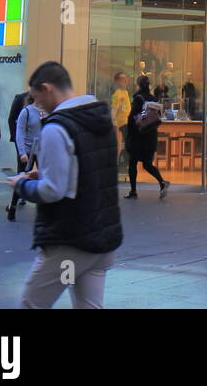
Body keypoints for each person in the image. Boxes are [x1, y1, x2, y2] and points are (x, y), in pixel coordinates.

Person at [9, 61, 123, 309]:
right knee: (89, 306)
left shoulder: (56, 128)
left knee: (31, 304)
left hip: (70, 242)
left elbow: (53, 190)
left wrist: (21, 185)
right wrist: (48, 170)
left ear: (47, 88)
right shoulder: (101, 121)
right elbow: (90, 166)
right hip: (103, 238)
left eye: (35, 96)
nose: (35, 104)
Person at [124, 75, 169, 199]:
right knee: (147, 164)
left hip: (138, 136)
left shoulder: (138, 98)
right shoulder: (153, 99)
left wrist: (128, 134)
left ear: (138, 85)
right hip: (150, 136)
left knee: (133, 162)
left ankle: (133, 191)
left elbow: (132, 117)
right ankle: (162, 182)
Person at [9, 90, 44, 221]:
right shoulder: (27, 111)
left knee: (43, 178)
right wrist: (22, 152)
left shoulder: (48, 111)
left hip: (42, 151)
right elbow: (20, 132)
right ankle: (13, 206)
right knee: (22, 177)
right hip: (28, 150)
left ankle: (43, 212)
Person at [109, 73, 130, 165]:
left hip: (126, 121)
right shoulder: (117, 94)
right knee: (119, 143)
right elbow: (114, 110)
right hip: (119, 123)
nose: (124, 80)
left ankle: (120, 161)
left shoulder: (125, 92)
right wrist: (114, 123)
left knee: (124, 143)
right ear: (117, 81)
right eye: (122, 79)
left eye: (125, 78)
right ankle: (115, 162)